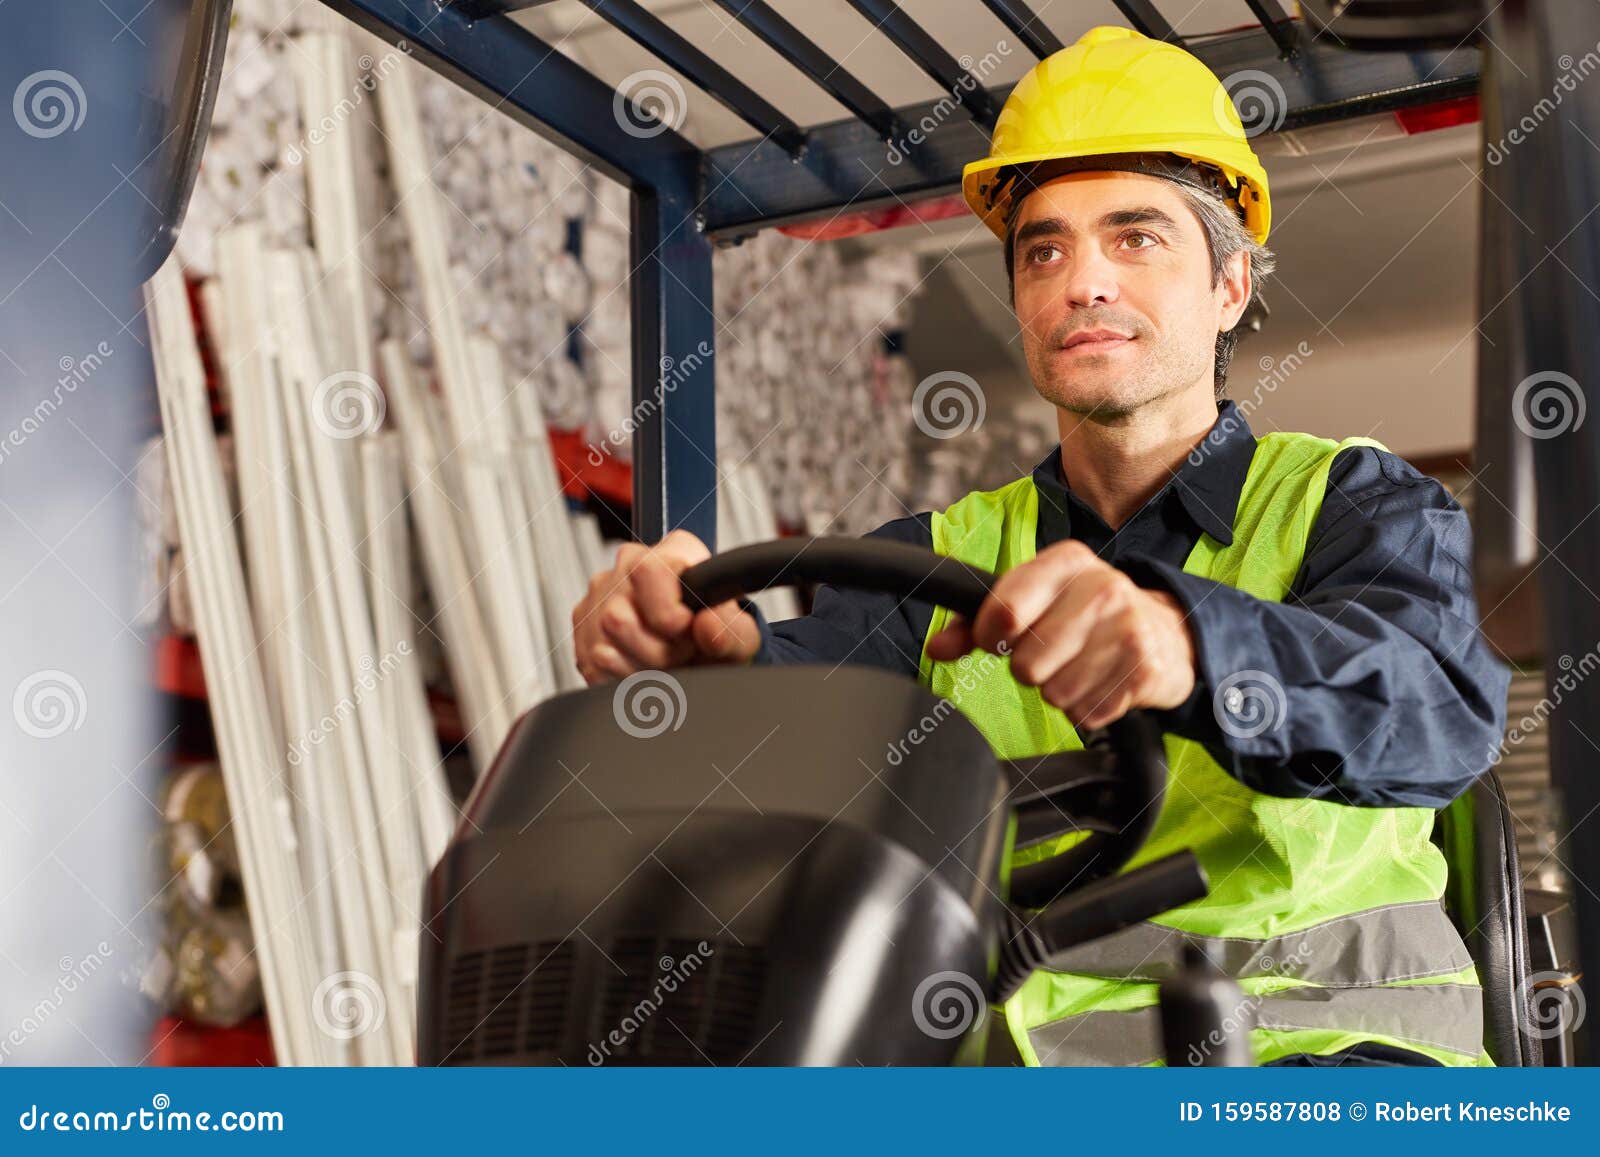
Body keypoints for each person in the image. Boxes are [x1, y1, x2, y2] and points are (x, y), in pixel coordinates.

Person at [571, 26, 1510, 1067]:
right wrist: (717, 666)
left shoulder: (1354, 503)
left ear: (1230, 287)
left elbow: (1438, 709)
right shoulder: (934, 555)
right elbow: (813, 734)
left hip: (1326, 1061)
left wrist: (1187, 643)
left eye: (1136, 237)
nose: (1082, 282)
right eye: (1044, 249)